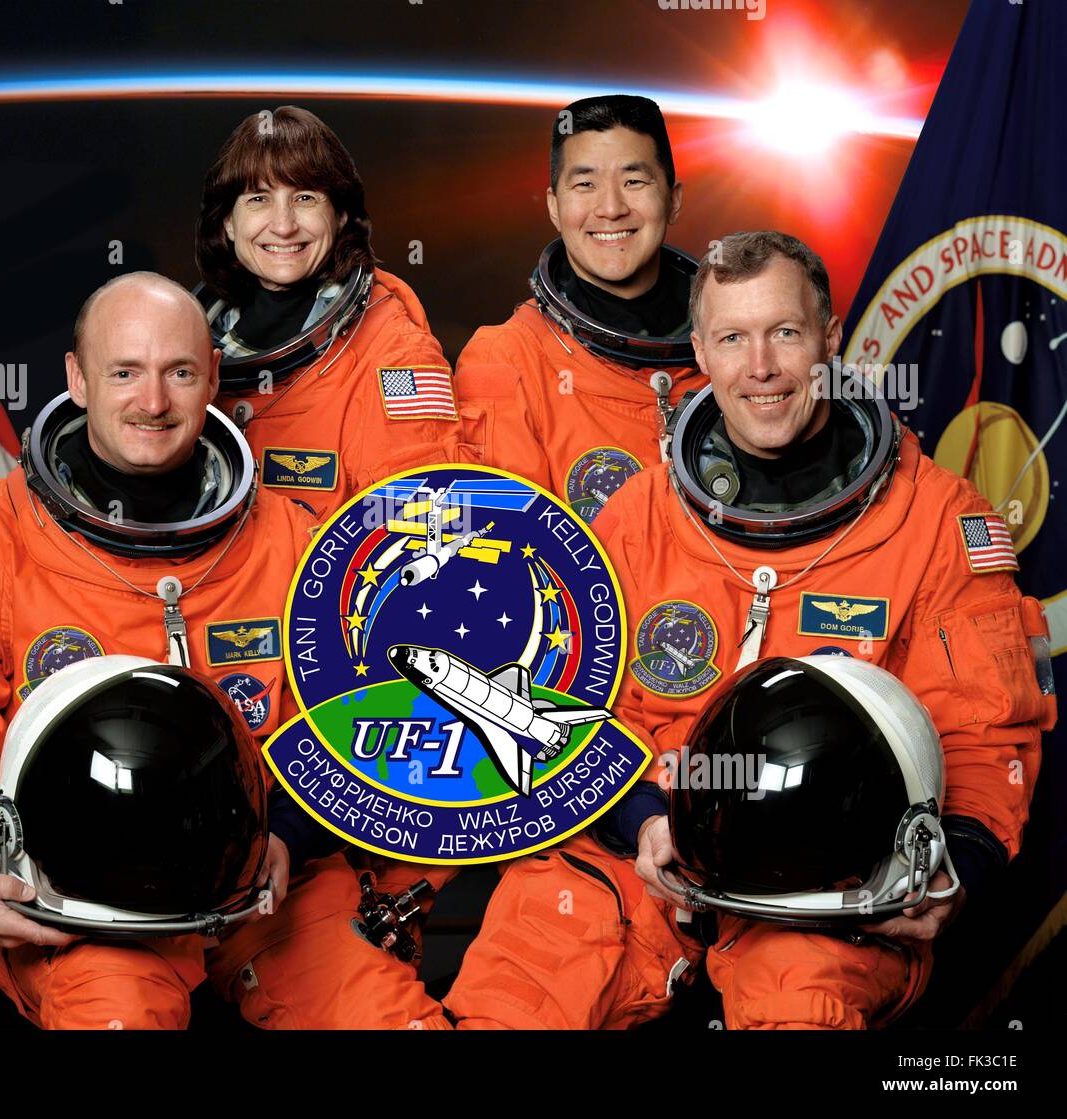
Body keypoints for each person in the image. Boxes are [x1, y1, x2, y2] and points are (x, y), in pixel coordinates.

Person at [439, 231, 1054, 1030]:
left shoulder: (937, 520)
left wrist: (952, 868)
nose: (759, 367)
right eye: (732, 338)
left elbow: (985, 730)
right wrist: (641, 820)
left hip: (834, 871)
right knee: (523, 984)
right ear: (700, 350)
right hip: (647, 845)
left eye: (785, 333)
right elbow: (568, 705)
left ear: (830, 339)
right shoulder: (639, 517)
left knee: (799, 1000)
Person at [0, 271, 340, 1029]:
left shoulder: (288, 539)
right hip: (79, 902)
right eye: (124, 371)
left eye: (179, 372)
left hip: (261, 889)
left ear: (213, 378)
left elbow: (343, 718)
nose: (152, 402)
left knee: (370, 1012)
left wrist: (288, 833)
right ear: (77, 379)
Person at [196, 105, 459, 520]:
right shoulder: (186, 348)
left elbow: (422, 523)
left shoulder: (396, 354)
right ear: (228, 222)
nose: (283, 226)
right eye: (259, 199)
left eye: (304, 198)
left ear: (339, 215)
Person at [455, 94, 706, 521]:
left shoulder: (738, 351)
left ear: (674, 199)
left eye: (634, 181)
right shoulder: (508, 361)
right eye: (585, 184)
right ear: (555, 206)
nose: (610, 208)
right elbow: (508, 547)